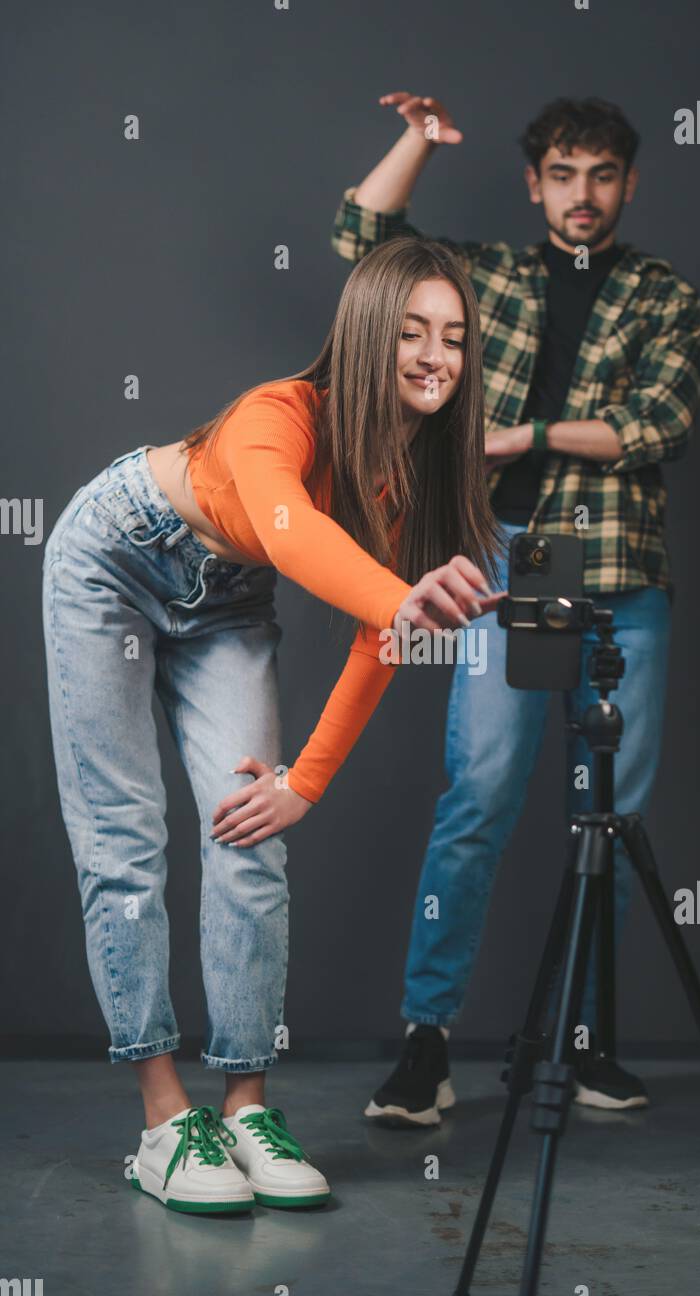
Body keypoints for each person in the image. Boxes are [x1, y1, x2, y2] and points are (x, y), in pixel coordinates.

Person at [41, 235, 503, 1213]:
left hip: (227, 603)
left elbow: (386, 635)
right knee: (125, 846)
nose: (435, 356)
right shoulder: (274, 414)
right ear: (367, 338)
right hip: (112, 564)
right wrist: (399, 597)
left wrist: (307, 779)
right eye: (412, 332)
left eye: (455, 339)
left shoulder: (413, 472)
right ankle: (166, 1122)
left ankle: (246, 1107)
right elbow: (291, 533)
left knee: (251, 832)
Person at [332, 94, 700, 1123]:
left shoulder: (661, 293)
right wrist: (417, 139)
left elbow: (658, 423)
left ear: (626, 186)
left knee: (610, 820)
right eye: (560, 173)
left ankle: (584, 1046)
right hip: (502, 569)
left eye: (599, 176)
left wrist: (524, 433)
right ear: (532, 183)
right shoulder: (479, 278)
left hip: (619, 577)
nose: (579, 195)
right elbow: (360, 237)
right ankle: (426, 1042)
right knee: (477, 798)